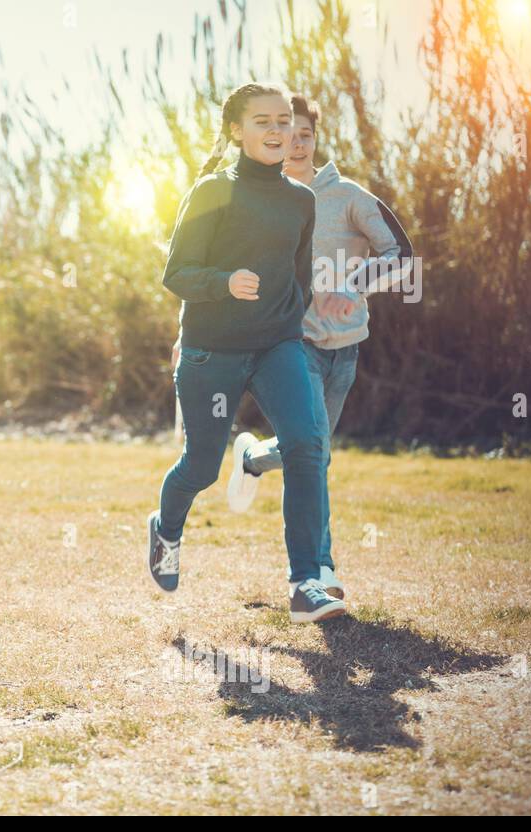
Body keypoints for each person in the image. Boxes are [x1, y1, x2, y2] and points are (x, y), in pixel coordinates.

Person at [149, 82, 347, 623]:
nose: (278, 131)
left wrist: (287, 321)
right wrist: (223, 282)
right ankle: (165, 531)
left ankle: (307, 582)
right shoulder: (212, 191)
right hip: (212, 351)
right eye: (264, 121)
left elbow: (298, 277)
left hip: (278, 345)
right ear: (237, 130)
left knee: (307, 443)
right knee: (202, 466)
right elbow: (176, 273)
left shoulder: (300, 200)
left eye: (284, 121)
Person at [222, 95, 413, 601]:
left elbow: (402, 253)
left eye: (305, 133)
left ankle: (253, 459)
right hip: (291, 343)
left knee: (312, 450)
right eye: (288, 132)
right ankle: (318, 572)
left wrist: (354, 285)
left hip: (344, 346)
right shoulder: (266, 197)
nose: (296, 141)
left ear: (313, 138)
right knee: (315, 452)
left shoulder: (348, 195)